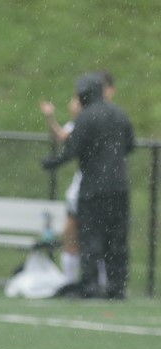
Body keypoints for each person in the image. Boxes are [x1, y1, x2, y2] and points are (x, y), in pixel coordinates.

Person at [42, 72, 134, 299]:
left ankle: (91, 284)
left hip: (93, 188)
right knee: (117, 238)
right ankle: (116, 286)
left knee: (91, 236)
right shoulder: (120, 114)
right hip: (119, 187)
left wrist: (51, 163)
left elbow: (71, 149)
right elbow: (130, 145)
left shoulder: (86, 118)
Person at [39, 93, 83, 285]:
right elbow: (60, 137)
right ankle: (70, 280)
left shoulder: (88, 123)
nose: (71, 104)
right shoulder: (76, 125)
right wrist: (49, 117)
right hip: (81, 191)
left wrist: (54, 162)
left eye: (75, 100)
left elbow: (64, 142)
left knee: (90, 237)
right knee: (70, 235)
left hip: (90, 191)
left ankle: (95, 281)